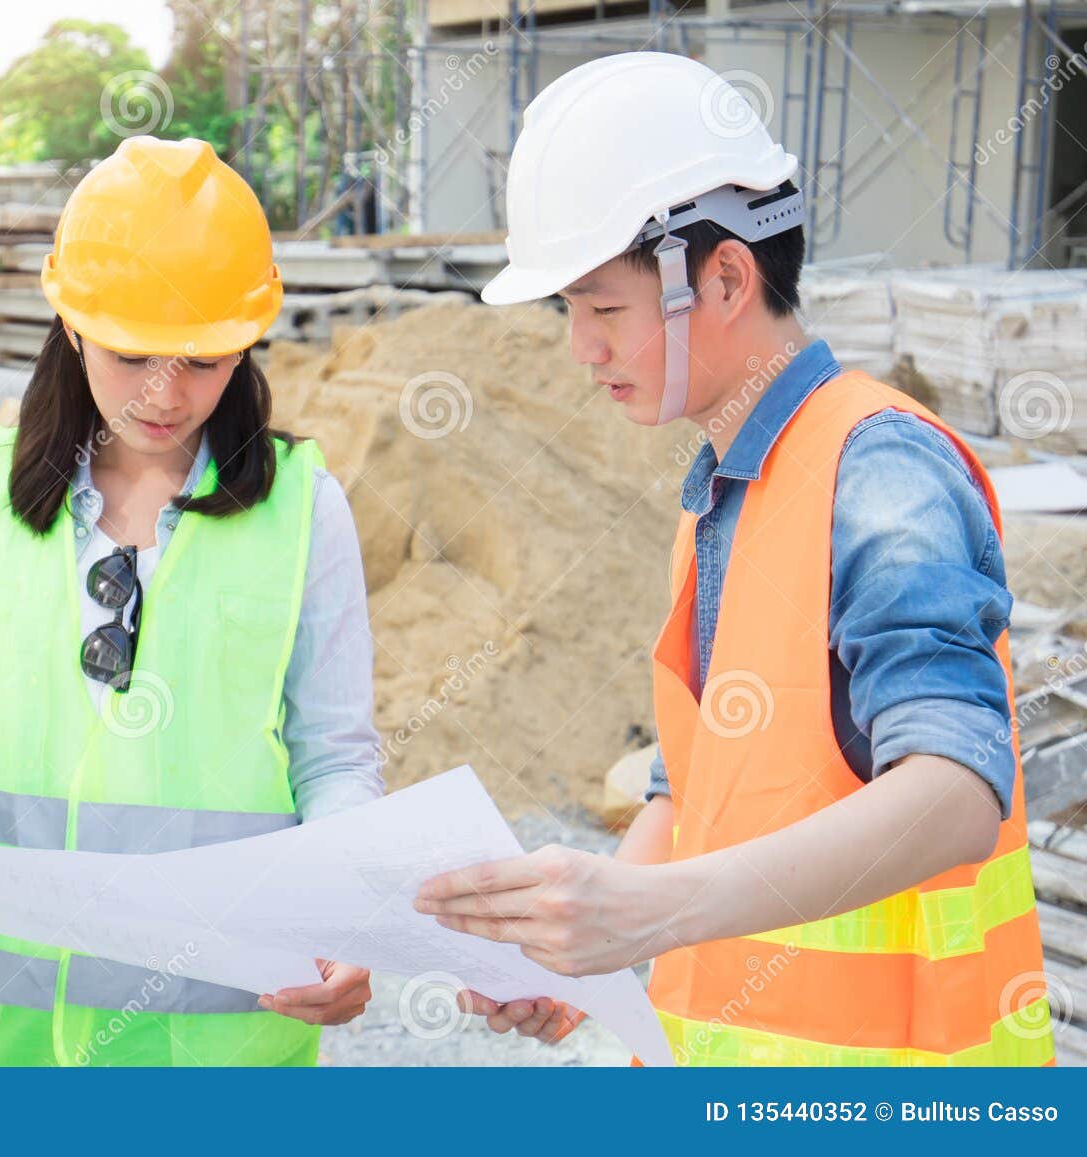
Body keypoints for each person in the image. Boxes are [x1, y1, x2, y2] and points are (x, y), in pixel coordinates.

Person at [413, 52, 1053, 1066]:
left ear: (721, 276)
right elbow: (694, 793)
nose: (580, 348)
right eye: (569, 311)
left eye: (603, 309)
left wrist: (655, 910)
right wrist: (584, 952)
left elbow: (957, 788)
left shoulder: (878, 468)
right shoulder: (726, 489)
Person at [0, 135, 383, 1066]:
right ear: (71, 326)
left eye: (202, 360)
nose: (165, 393)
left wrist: (352, 913)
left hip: (205, 1045)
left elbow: (335, 755)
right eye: (131, 354)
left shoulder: (302, 510)